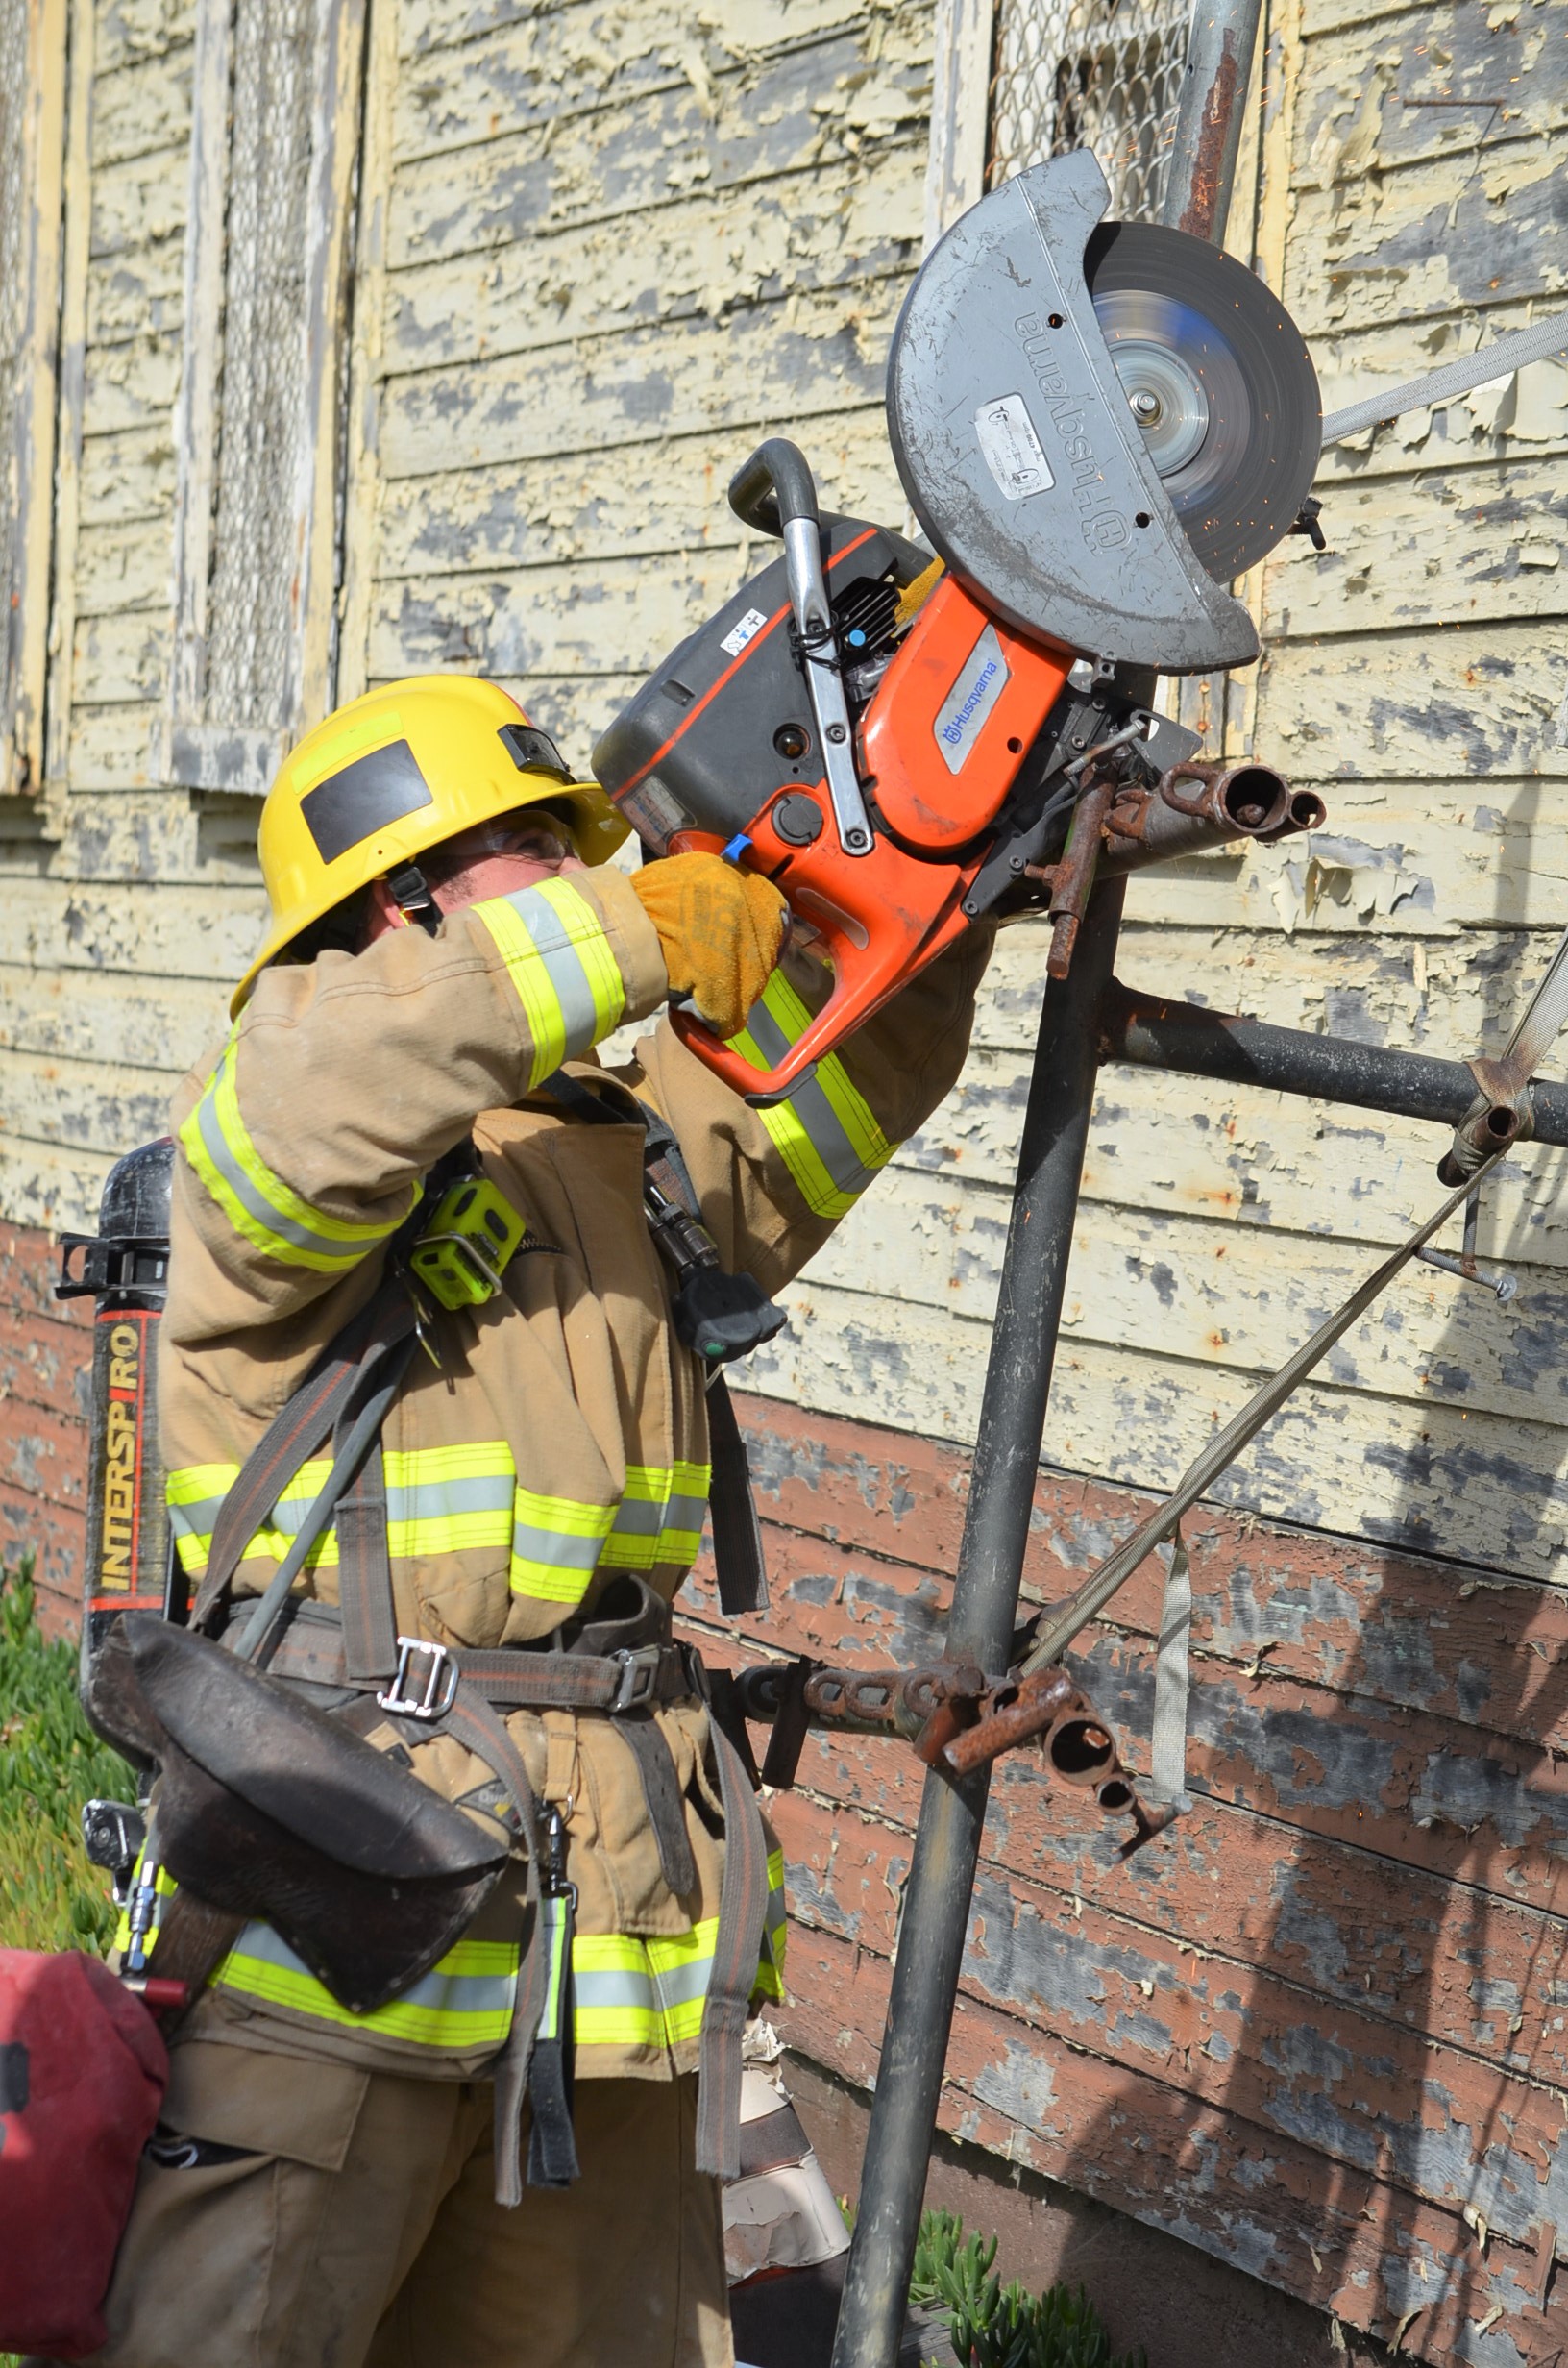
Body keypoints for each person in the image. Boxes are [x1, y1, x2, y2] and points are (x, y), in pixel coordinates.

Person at [86, 672, 992, 2368]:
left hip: (614, 1952)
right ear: (391, 902)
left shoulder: (611, 1156)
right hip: (333, 1939)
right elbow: (356, 1065)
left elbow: (834, 1078)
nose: (577, 875)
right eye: (521, 851)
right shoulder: (281, 1129)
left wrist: (944, 879)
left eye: (568, 847)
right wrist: (640, 925)